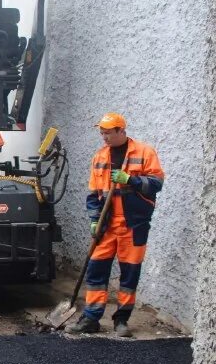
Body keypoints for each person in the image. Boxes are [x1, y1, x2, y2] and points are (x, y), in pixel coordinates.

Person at [66, 113, 165, 337]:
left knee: (130, 274)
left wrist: (130, 179)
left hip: (134, 225)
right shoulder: (100, 157)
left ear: (121, 130)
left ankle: (121, 320)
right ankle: (91, 318)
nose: (104, 137)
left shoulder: (144, 152)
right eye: (102, 133)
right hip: (107, 225)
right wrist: (94, 220)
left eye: (108, 133)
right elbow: (93, 193)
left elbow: (156, 184)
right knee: (96, 271)